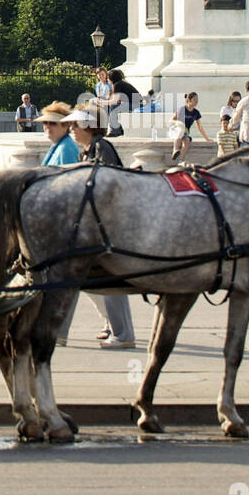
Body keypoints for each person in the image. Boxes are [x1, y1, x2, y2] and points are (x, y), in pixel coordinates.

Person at [66, 109, 136, 348]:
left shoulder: (101, 147)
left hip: (108, 225)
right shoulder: (88, 150)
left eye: (76, 126)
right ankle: (117, 330)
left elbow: (106, 184)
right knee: (94, 279)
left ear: (88, 126)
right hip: (97, 225)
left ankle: (123, 334)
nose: (72, 130)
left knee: (108, 278)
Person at [92, 69, 142, 138]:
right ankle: (118, 128)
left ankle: (115, 130)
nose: (107, 80)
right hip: (135, 104)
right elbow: (117, 100)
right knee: (114, 106)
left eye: (108, 78)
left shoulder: (117, 85)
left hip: (134, 105)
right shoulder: (121, 83)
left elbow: (114, 101)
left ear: (111, 78)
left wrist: (102, 102)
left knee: (113, 107)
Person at [169, 92, 212, 162]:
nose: (196, 102)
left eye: (197, 100)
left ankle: (181, 160)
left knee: (187, 141)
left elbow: (200, 127)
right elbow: (172, 120)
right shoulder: (182, 109)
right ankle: (175, 150)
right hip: (177, 131)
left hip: (185, 133)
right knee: (179, 133)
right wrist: (177, 123)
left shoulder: (196, 112)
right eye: (194, 100)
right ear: (189, 100)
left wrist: (207, 138)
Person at [38, 102, 80, 167]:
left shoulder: (66, 149)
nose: (47, 126)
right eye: (45, 122)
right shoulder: (59, 145)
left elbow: (70, 176)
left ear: (65, 126)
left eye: (52, 123)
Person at [217, 91, 242, 157]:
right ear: (230, 100)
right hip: (227, 132)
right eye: (234, 101)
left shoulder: (241, 110)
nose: (236, 103)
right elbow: (224, 122)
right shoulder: (225, 109)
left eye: (238, 101)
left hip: (237, 132)